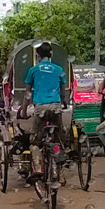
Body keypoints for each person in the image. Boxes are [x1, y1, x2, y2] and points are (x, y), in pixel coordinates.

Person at [24, 42, 68, 181]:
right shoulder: (58, 69)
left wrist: (24, 109)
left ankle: (37, 168)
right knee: (59, 138)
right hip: (55, 107)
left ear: (37, 56)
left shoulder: (33, 70)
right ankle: (60, 174)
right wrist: (64, 102)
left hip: (40, 108)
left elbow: (28, 93)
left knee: (35, 141)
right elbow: (62, 91)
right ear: (51, 55)